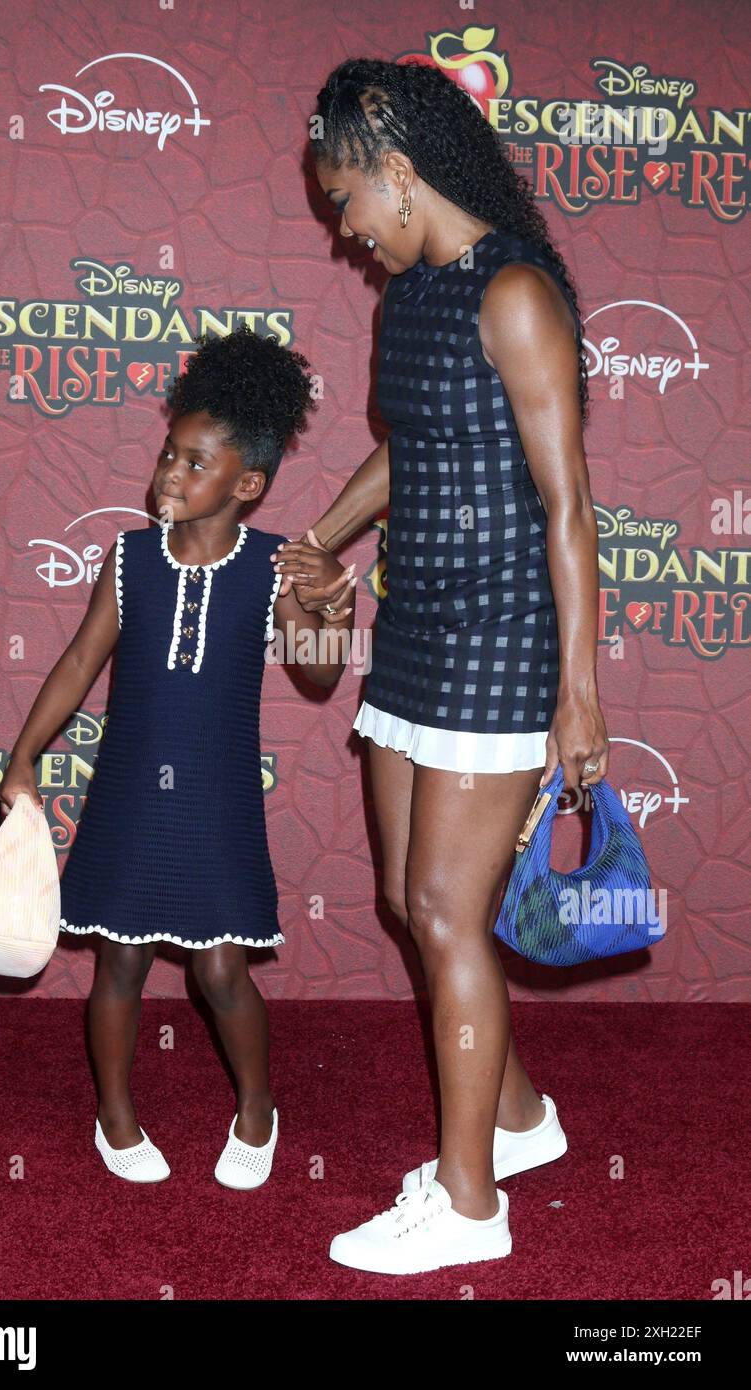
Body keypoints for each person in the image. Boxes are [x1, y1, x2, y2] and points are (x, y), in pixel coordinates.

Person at [271, 58, 609, 1274]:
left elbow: (568, 506)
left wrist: (578, 696)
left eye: (348, 204)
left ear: (401, 176)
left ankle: (469, 1206)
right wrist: (317, 538)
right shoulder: (407, 298)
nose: (345, 233)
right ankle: (515, 1120)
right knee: (406, 903)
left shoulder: (515, 293)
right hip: (416, 628)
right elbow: (407, 449)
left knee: (442, 911)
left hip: (503, 638)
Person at [0, 325, 356, 1189]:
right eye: (169, 455)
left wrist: (332, 614)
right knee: (118, 960)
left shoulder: (274, 568)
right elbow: (80, 663)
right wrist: (21, 761)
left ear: (250, 484)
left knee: (222, 968)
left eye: (196, 463)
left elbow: (316, 677)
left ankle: (258, 1106)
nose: (170, 474)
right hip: (127, 790)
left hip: (218, 797)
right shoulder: (129, 559)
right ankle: (114, 1116)